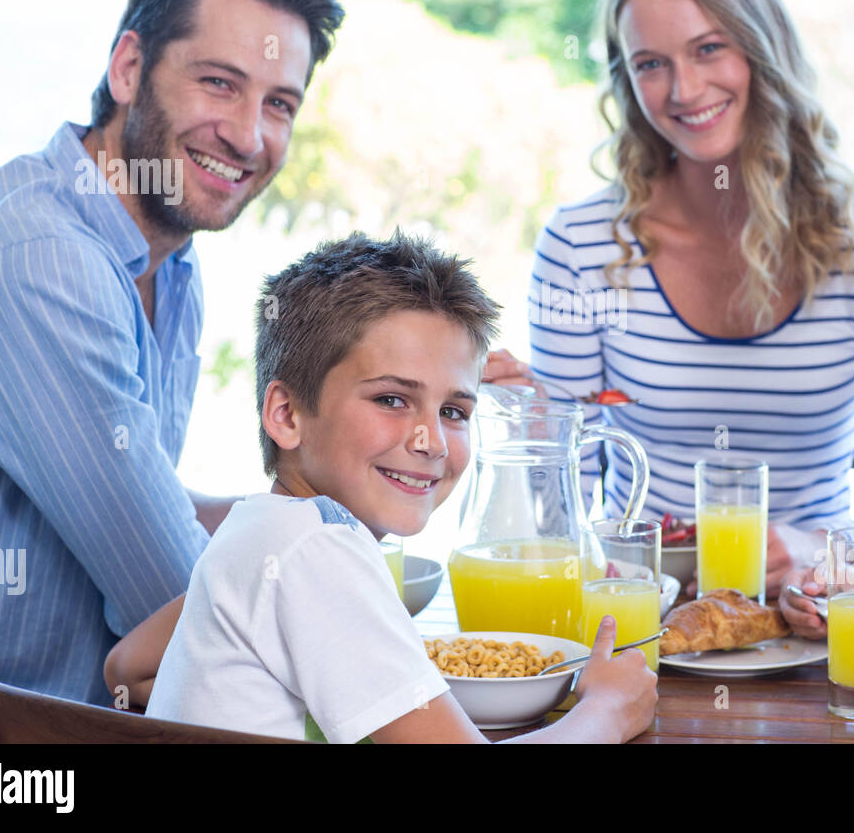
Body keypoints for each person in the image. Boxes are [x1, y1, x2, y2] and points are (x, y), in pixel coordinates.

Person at [0, 0, 344, 742]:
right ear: (128, 69)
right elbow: (181, 601)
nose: (250, 136)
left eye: (280, 104)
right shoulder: (40, 261)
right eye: (219, 84)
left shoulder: (167, 257)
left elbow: (134, 495)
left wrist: (328, 518)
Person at [486, 0, 854, 632]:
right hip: (639, 624)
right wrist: (537, 445)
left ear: (762, 50)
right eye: (650, 63)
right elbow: (565, 519)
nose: (684, 90)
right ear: (625, 80)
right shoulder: (581, 245)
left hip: (813, 623)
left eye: (709, 48)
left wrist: (826, 550)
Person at [106, 232, 658, 743]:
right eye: (392, 399)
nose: (432, 440)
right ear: (286, 414)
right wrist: (608, 708)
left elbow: (127, 666)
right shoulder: (319, 551)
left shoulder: (259, 526)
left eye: (453, 410)